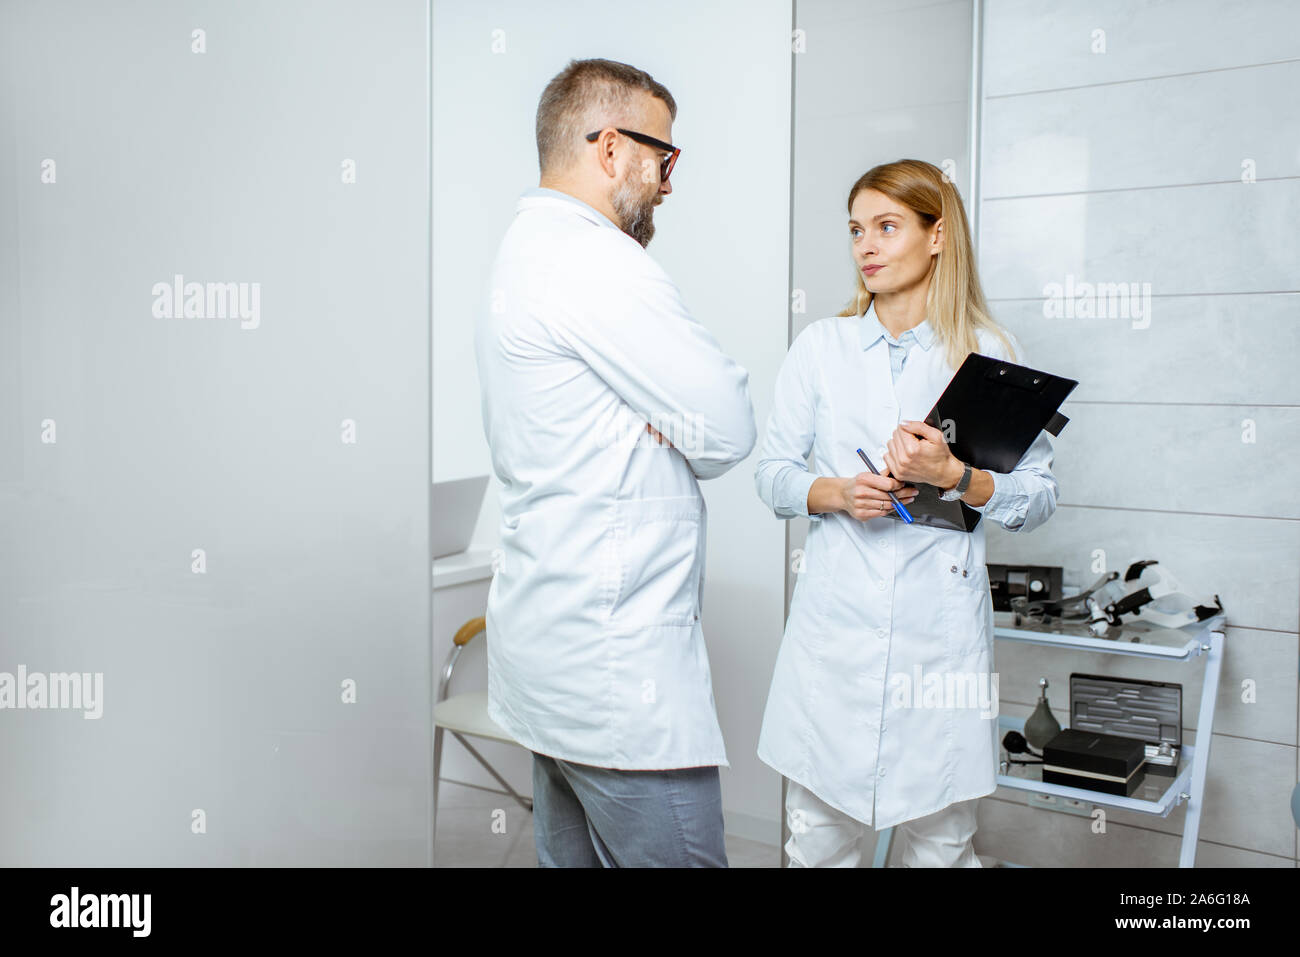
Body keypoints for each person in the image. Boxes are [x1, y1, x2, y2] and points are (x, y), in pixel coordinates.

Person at [474, 58, 756, 867]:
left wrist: (666, 418)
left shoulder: (521, 252)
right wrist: (668, 420)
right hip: (616, 682)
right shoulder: (595, 260)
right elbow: (730, 425)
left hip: (548, 660)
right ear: (608, 148)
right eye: (662, 157)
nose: (669, 183)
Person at [753, 158, 1059, 867]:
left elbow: (1039, 497)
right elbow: (771, 476)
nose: (867, 245)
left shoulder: (989, 355)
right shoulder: (820, 349)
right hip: (835, 639)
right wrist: (836, 492)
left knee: (942, 848)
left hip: (939, 645)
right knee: (818, 845)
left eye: (887, 227)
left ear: (937, 235)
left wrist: (958, 475)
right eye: (857, 229)